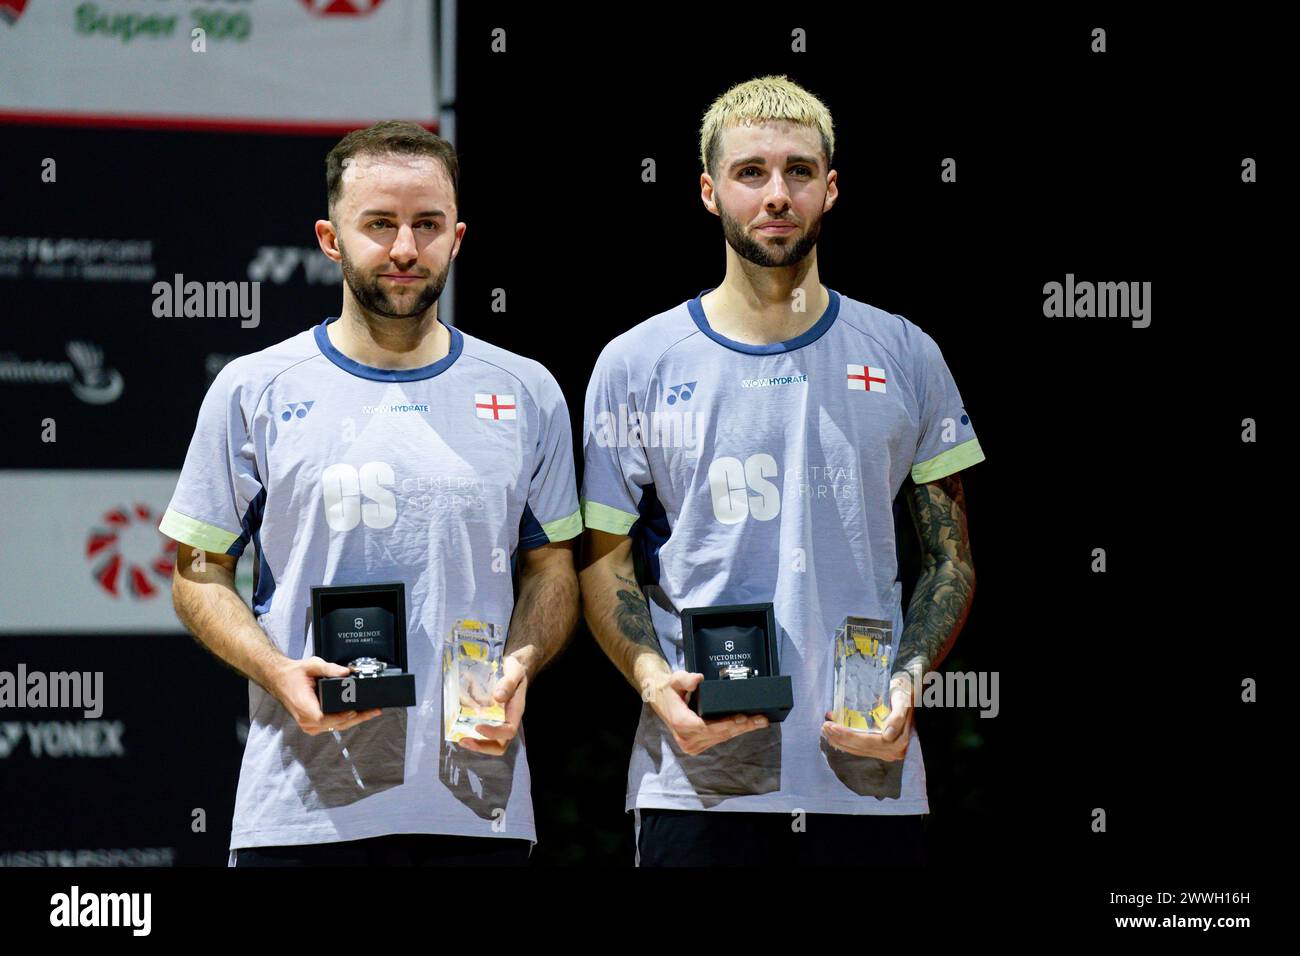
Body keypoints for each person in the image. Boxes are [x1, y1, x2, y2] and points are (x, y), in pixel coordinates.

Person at [578, 76, 984, 866]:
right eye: (750, 172)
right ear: (707, 191)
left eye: (799, 172)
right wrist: (657, 683)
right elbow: (600, 559)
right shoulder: (636, 363)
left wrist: (907, 678)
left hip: (866, 779)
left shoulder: (906, 353)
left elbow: (950, 557)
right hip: (695, 783)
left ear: (830, 190)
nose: (776, 194)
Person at [162, 121, 581, 867]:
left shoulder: (527, 391)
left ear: (457, 237)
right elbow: (199, 574)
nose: (403, 250)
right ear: (330, 238)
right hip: (298, 813)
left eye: (426, 225)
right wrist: (277, 671)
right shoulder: (254, 389)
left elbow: (552, 571)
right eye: (379, 224)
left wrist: (520, 661)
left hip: (474, 809)